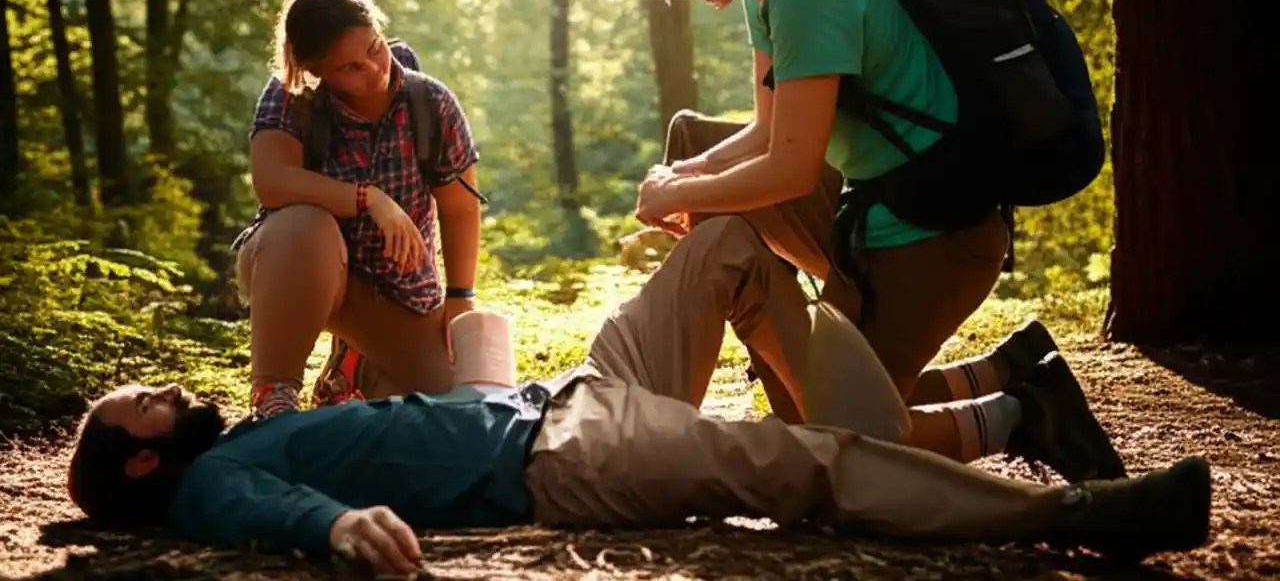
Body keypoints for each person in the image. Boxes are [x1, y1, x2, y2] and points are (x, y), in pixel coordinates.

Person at [65, 218, 1207, 578]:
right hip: (567, 457)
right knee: (796, 470)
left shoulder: (230, 441)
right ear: (142, 466)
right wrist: (339, 524)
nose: (156, 392)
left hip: (570, 394)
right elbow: (262, 515)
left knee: (724, 247)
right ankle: (1073, 515)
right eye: (138, 407)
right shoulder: (212, 482)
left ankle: (959, 423)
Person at [622, 0, 1112, 470]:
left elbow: (792, 170)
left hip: (936, 239)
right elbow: (767, 131)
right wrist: (685, 180)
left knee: (838, 444)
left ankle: (1027, 413)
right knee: (814, 411)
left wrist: (677, 195)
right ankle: (1003, 369)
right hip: (876, 222)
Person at [230, 0, 483, 418]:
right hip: (300, 269)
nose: (373, 69)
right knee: (304, 224)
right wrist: (369, 199)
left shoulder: (430, 103)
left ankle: (355, 368)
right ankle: (274, 396)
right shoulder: (293, 96)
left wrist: (460, 296)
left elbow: (460, 208)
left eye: (374, 47)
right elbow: (272, 180)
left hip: (398, 292)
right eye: (348, 67)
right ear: (315, 71)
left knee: (455, 403)